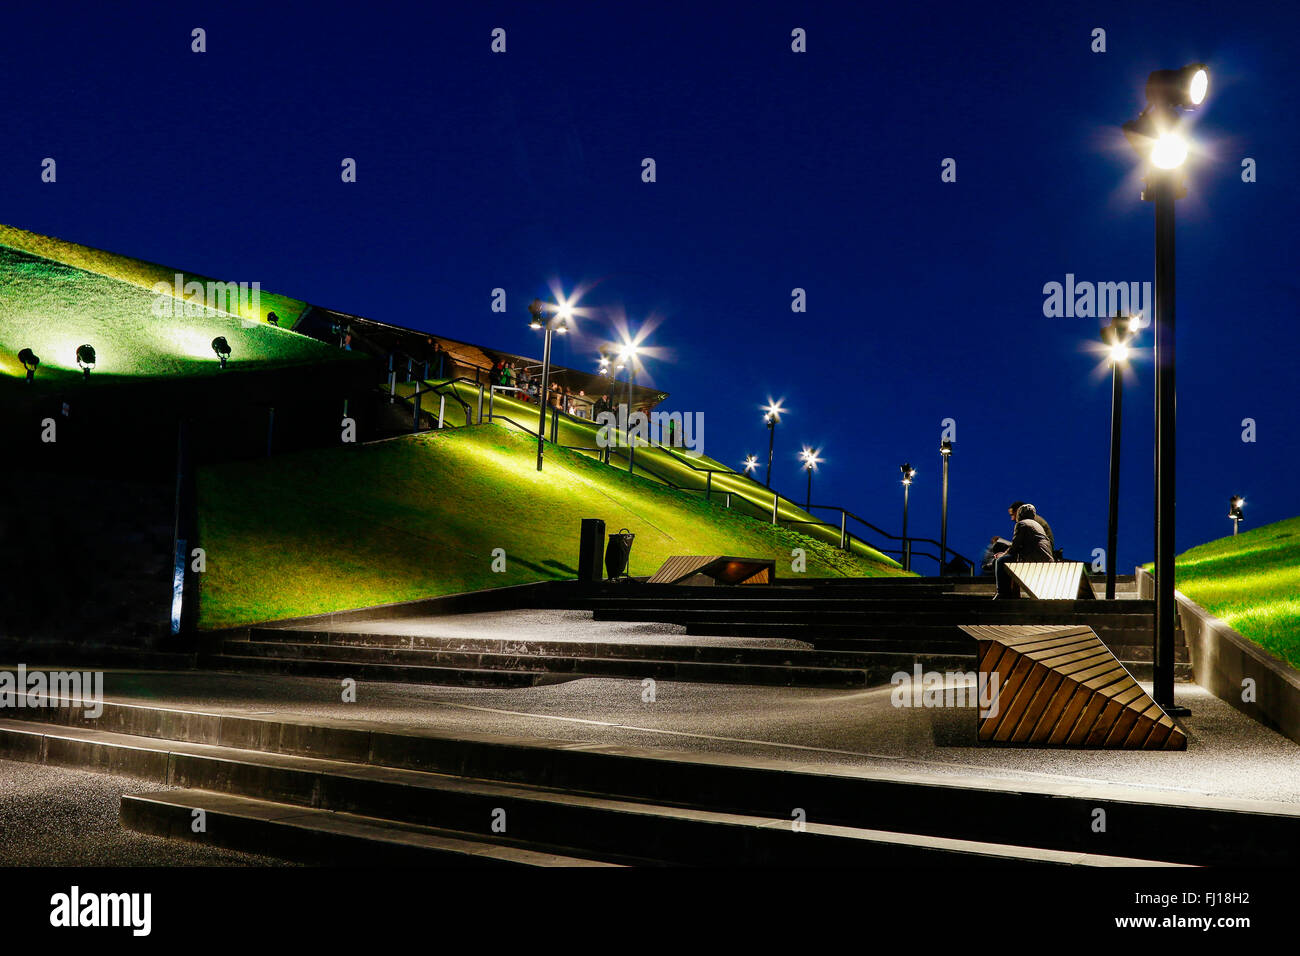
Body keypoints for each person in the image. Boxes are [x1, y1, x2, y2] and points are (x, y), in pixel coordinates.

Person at [994, 503, 1055, 598]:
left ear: (1019, 513)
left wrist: (1003, 555)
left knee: (1001, 561)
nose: (1012, 519)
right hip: (1044, 557)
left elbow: (1015, 547)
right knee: (1007, 557)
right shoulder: (1036, 523)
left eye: (1014, 515)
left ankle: (1002, 593)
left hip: (1034, 558)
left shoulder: (1022, 524)